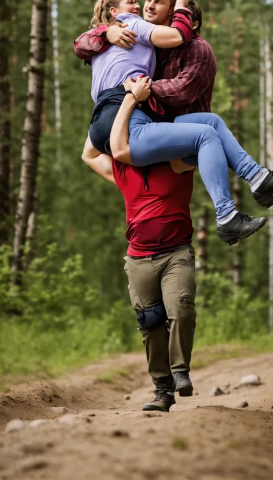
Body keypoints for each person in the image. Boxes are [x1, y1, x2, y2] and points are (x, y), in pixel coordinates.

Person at [81, 0, 273, 244]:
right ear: (115, 11)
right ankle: (226, 216)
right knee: (205, 136)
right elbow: (177, 36)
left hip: (113, 117)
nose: (141, 7)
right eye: (136, 1)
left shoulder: (115, 35)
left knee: (211, 122)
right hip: (125, 117)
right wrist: (138, 88)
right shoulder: (131, 25)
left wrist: (105, 31)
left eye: (149, 2)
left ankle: (257, 177)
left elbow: (84, 44)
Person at [83, 75, 199, 412]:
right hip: (139, 258)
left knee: (181, 309)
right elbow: (89, 151)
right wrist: (127, 100)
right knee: (149, 324)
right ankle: (162, 391)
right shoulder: (121, 169)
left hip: (176, 253)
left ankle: (180, 373)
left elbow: (193, 141)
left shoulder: (179, 162)